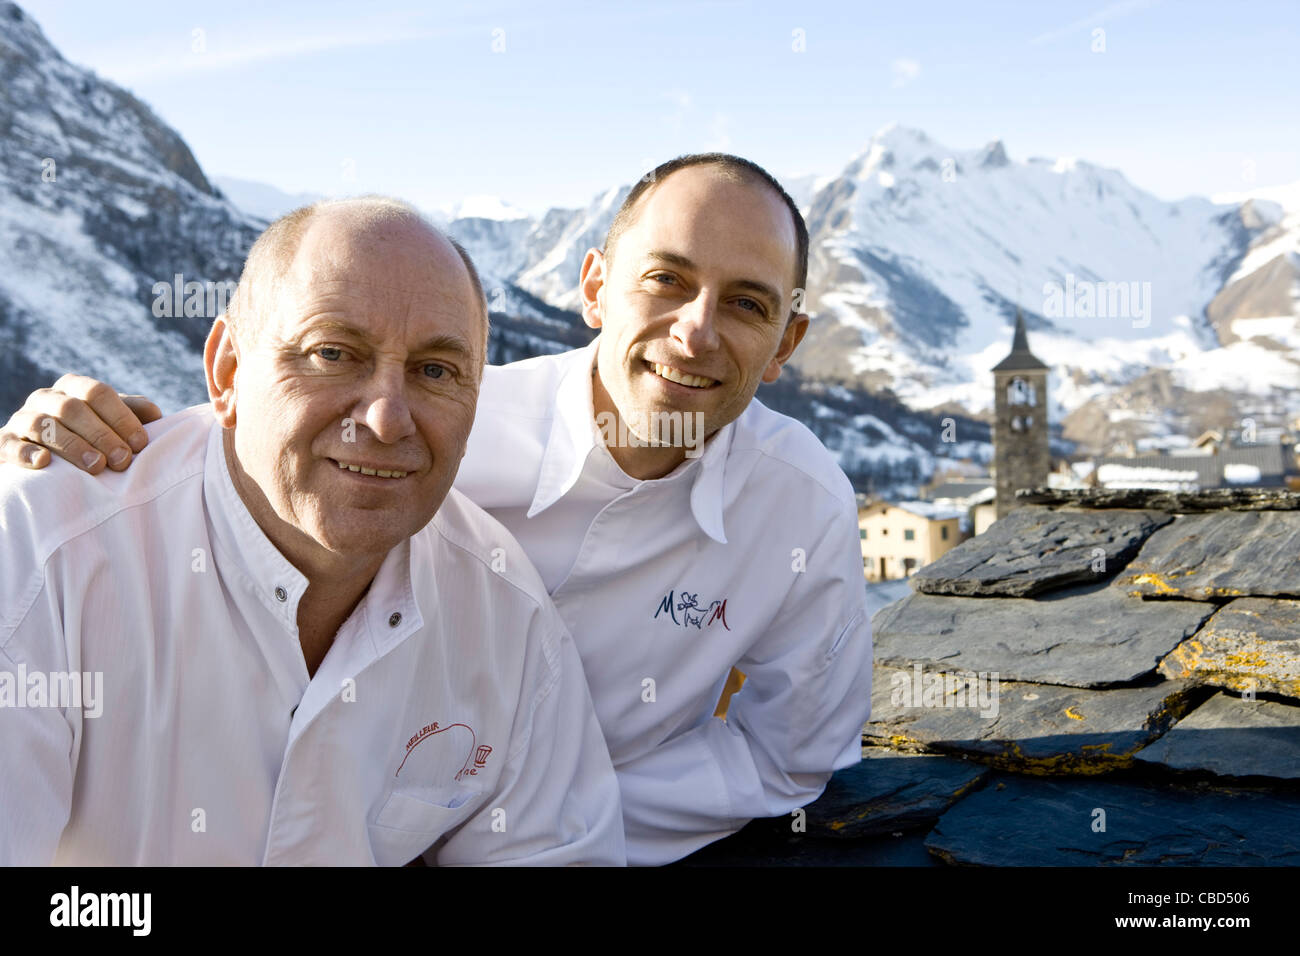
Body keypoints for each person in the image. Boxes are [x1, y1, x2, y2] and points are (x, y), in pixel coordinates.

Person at [1, 154, 873, 866]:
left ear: (787, 344)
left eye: (748, 304)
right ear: (596, 288)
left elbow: (782, 755)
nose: (696, 331)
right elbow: (249, 448)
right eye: (665, 280)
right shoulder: (438, 429)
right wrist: (58, 455)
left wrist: (504, 813)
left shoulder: (793, 513)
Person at [0, 197, 625, 866]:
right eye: (333, 353)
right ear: (228, 373)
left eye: (436, 371)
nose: (387, 418)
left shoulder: (507, 615)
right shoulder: (49, 554)